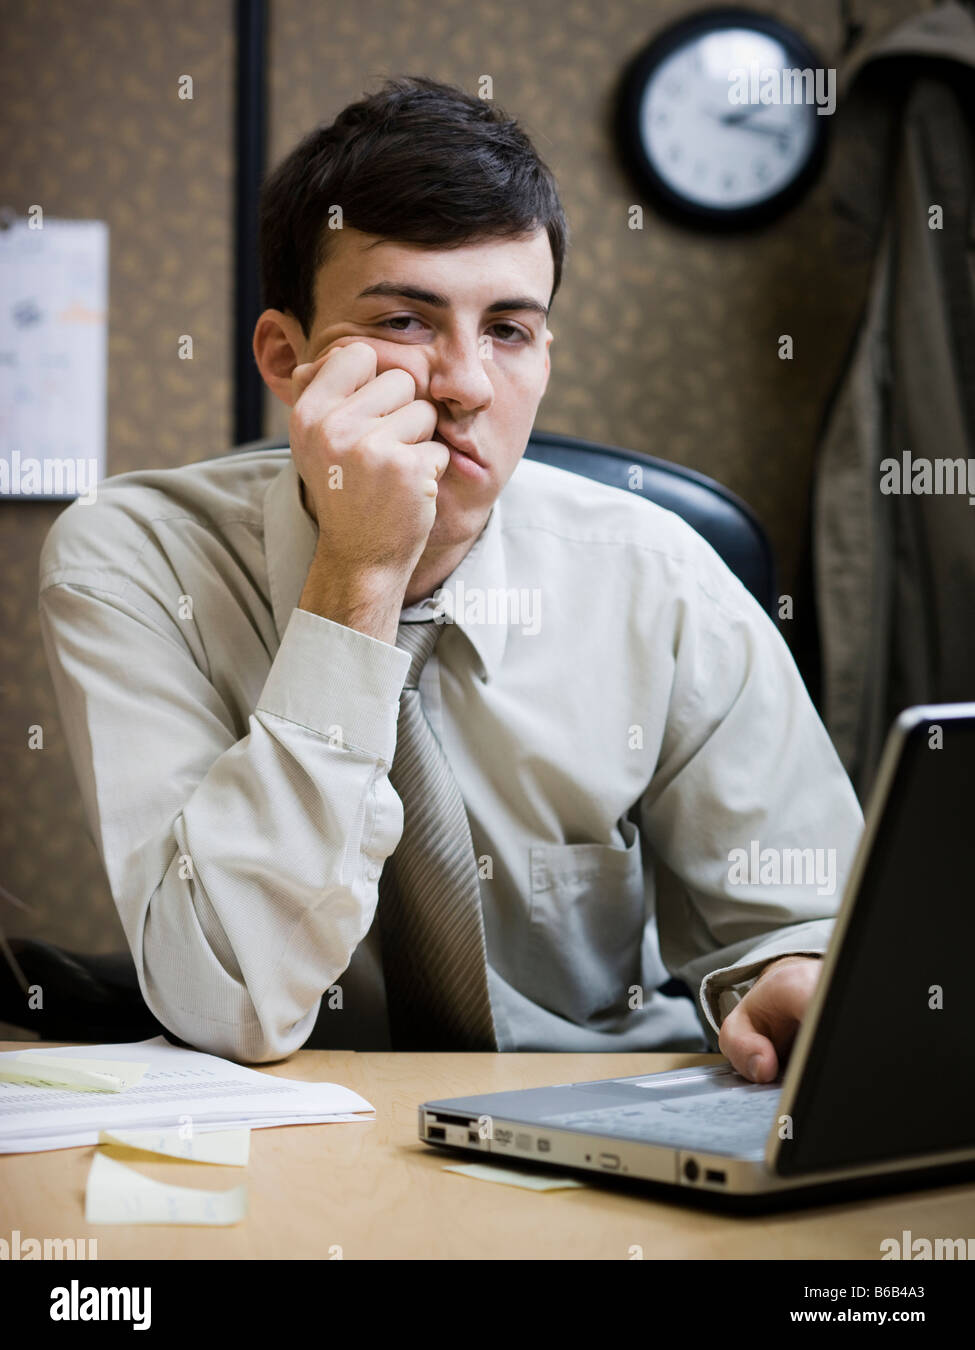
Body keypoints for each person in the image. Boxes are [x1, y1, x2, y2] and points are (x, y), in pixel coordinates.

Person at [39, 75, 863, 1072]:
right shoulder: (132, 557)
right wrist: (358, 572)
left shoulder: (662, 578)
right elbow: (226, 1002)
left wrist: (785, 974)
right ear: (285, 356)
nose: (467, 384)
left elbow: (802, 927)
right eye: (403, 322)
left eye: (509, 329)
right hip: (294, 1151)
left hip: (594, 1139)